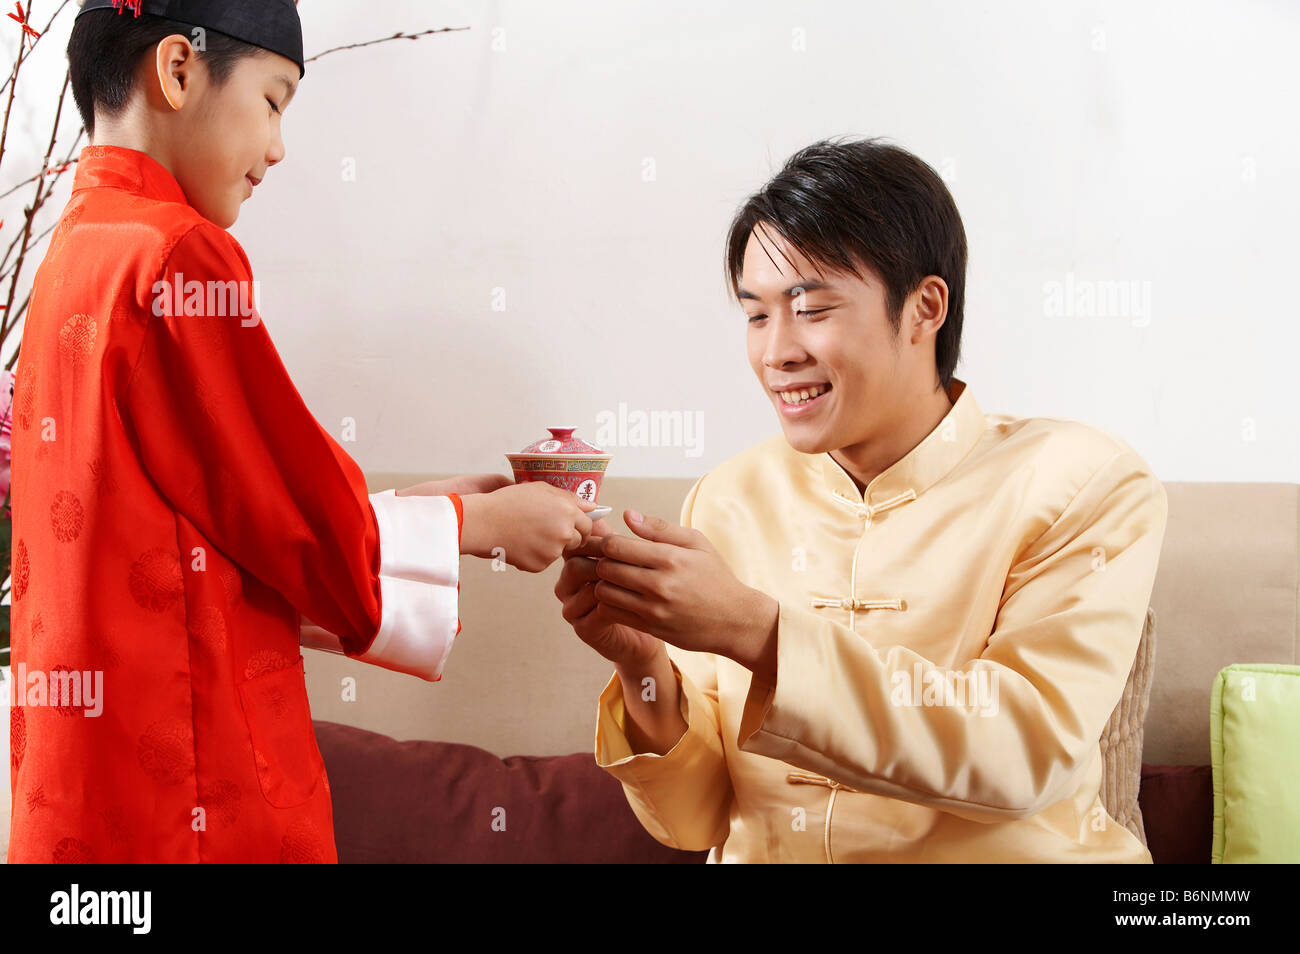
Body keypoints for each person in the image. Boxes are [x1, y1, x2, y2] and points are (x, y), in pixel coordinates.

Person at [8, 0, 597, 863]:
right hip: (190, 792)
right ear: (178, 71)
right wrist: (474, 527)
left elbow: (214, 524)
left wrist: (427, 508)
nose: (279, 148)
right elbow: (297, 527)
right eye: (276, 101)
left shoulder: (77, 252)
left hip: (92, 783)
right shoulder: (174, 254)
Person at [556, 138, 1167, 863]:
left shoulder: (1082, 481)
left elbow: (1021, 750)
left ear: (924, 308)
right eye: (756, 315)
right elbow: (696, 824)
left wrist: (757, 632)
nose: (777, 352)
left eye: (811, 308)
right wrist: (642, 669)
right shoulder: (729, 496)